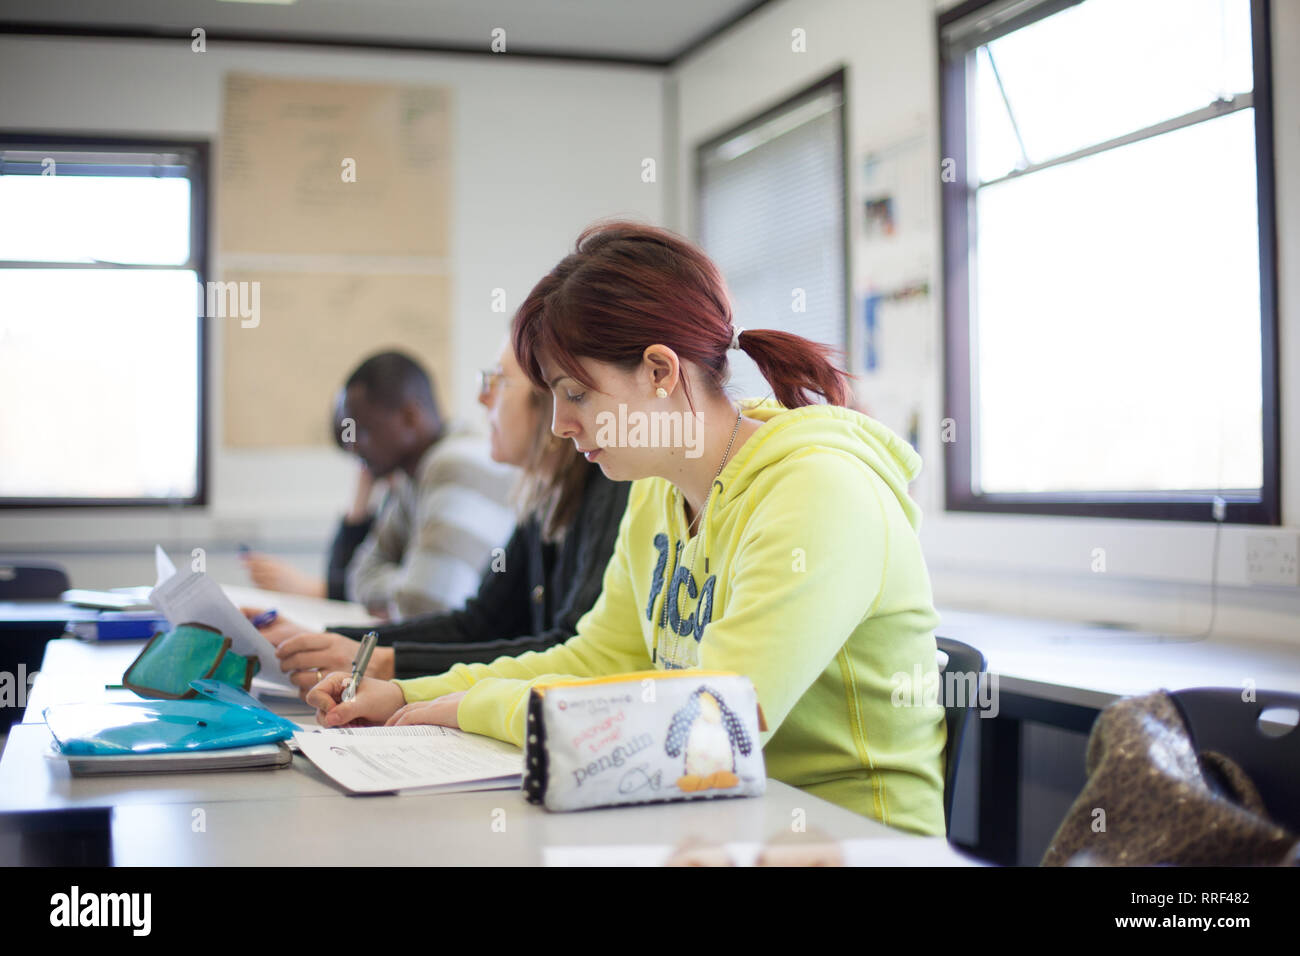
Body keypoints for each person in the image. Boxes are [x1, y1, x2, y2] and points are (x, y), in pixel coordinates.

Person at [307, 222, 948, 836]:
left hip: (845, 843)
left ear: (661, 373)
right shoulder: (656, 491)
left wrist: (469, 708)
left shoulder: (819, 491)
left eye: (575, 394)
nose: (559, 423)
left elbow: (710, 726)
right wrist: (405, 694)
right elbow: (596, 659)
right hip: (715, 826)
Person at [249, 342, 630, 693]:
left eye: (497, 382)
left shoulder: (613, 485)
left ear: (546, 399)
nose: (481, 398)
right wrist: (327, 639)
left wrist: (384, 665)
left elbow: (566, 649)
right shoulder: (543, 496)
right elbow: (477, 623)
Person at [240, 395, 382, 601]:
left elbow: (387, 596)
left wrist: (309, 589)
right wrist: (360, 498)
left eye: (364, 458)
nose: (362, 467)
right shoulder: (384, 496)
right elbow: (340, 574)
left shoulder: (411, 496)